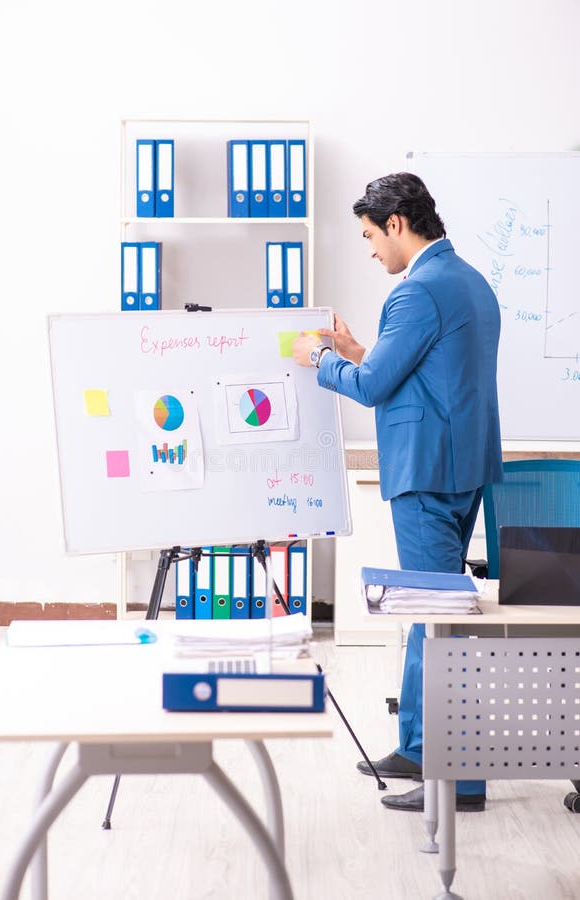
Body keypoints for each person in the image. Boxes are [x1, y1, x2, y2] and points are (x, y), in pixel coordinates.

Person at [293, 172, 503, 812]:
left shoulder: (415, 292)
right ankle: (416, 746)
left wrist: (320, 359)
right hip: (461, 467)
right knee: (428, 613)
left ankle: (459, 781)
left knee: (438, 621)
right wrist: (358, 348)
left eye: (369, 236)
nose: (370, 250)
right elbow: (422, 372)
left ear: (396, 223)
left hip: (426, 474)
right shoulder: (468, 280)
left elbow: (373, 387)